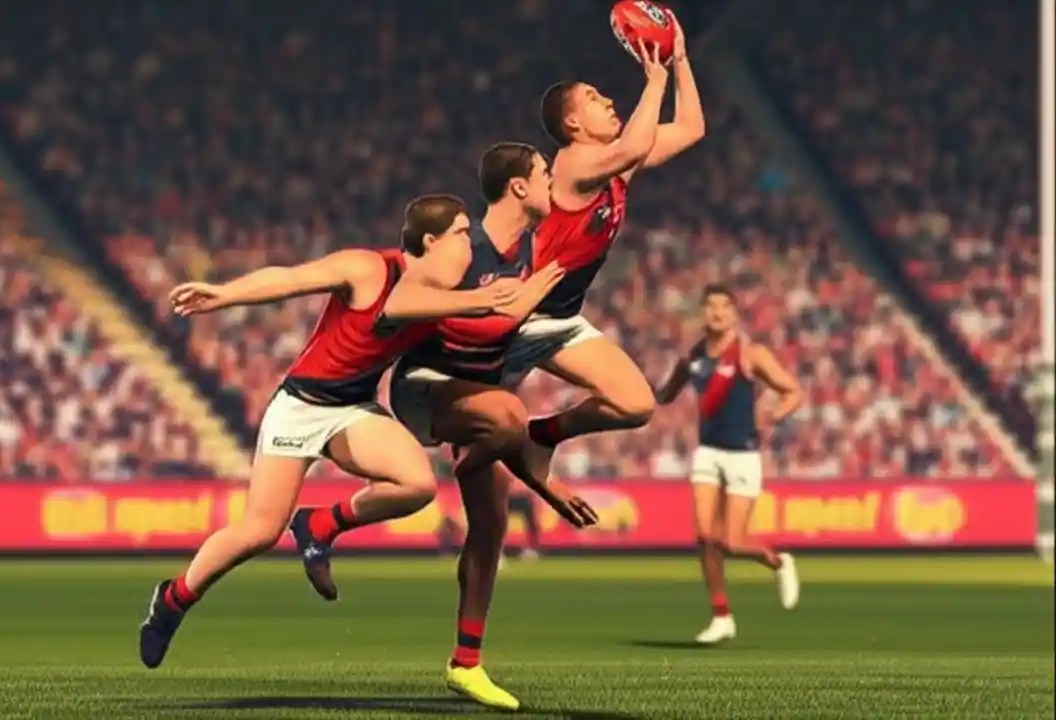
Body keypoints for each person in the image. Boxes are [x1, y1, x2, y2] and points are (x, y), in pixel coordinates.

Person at [137, 194, 562, 670]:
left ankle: (320, 524)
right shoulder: (369, 269)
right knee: (259, 530)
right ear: (431, 241)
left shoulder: (446, 298)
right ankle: (173, 599)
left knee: (417, 485)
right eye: (463, 234)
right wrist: (225, 294)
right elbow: (292, 279)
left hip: (353, 409)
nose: (472, 243)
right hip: (300, 405)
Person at [387, 142, 598, 712]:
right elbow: (398, 302)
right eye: (546, 173)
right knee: (509, 418)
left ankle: (466, 664)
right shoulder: (465, 246)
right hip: (425, 385)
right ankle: (475, 455)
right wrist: (486, 303)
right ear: (520, 188)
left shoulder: (534, 250)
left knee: (491, 525)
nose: (555, 180)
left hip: (480, 404)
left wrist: (547, 488)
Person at [510, 15, 706, 467]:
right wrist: (654, 78)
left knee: (637, 404)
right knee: (474, 457)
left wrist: (678, 60)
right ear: (573, 122)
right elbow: (633, 148)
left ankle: (541, 434)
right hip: (514, 322)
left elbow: (691, 128)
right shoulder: (571, 167)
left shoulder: (615, 166)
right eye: (595, 99)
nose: (609, 100)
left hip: (558, 322)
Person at [655, 284, 804, 644]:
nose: (717, 313)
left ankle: (778, 561)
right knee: (705, 536)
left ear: (734, 314)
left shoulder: (750, 355)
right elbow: (664, 394)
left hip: (742, 455)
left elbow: (794, 392)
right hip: (708, 452)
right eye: (710, 306)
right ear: (702, 313)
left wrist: (770, 416)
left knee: (732, 542)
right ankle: (721, 615)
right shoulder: (692, 358)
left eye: (724, 306)